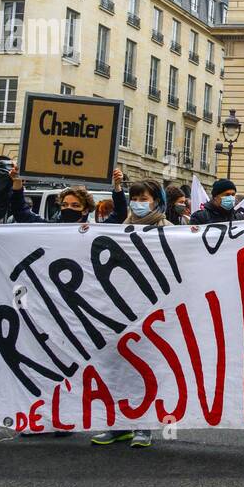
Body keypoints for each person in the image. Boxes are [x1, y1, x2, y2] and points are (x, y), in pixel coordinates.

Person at [90, 179, 171, 449]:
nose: (138, 202)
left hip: (153, 312)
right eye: (134, 197)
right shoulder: (119, 230)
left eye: (144, 197)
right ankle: (117, 425)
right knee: (115, 368)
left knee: (145, 368)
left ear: (156, 201)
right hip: (119, 309)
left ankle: (143, 425)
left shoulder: (171, 231)